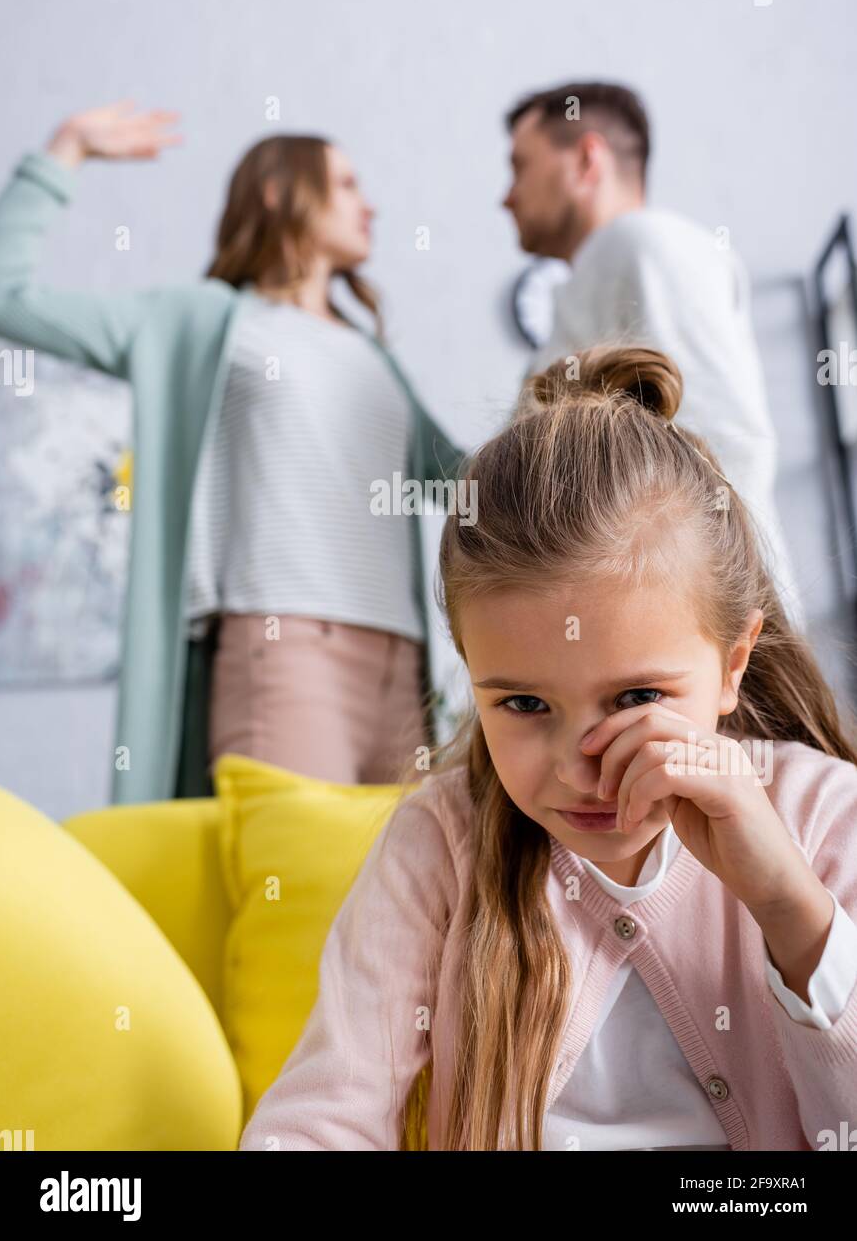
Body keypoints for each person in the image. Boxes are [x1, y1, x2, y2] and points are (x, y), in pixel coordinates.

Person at [238, 344, 857, 1151]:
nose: (579, 765)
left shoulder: (821, 815)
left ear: (732, 663)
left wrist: (787, 904)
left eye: (636, 699)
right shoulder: (439, 845)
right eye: (524, 703)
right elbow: (321, 1121)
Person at [0, 102, 465, 804]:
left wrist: (571, 405)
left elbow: (462, 482)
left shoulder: (370, 357)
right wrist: (68, 149)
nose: (371, 206)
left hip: (402, 669)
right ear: (278, 192)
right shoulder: (199, 321)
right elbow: (4, 292)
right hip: (288, 651)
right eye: (346, 185)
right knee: (298, 893)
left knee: (423, 903)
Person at [502, 80, 804, 629]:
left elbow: (725, 444)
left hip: (701, 635)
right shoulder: (610, 264)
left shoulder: (643, 243)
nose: (507, 195)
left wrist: (723, 646)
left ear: (587, 159)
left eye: (519, 166)